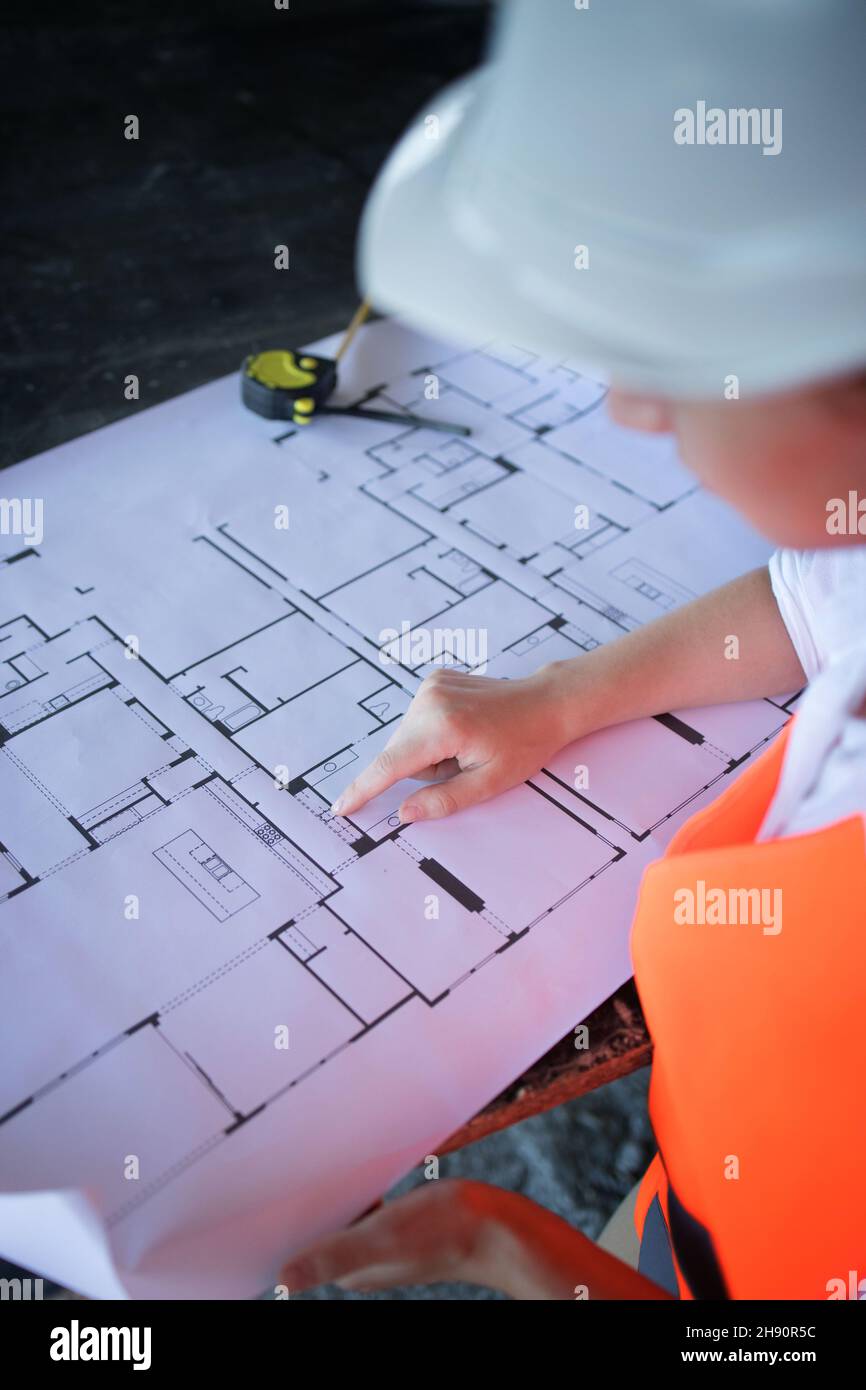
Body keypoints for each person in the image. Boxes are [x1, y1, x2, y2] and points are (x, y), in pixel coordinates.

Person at [280, 0, 866, 1298]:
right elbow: (823, 593)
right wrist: (561, 696)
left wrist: (521, 1250)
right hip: (712, 1193)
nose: (626, 405)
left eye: (669, 356)